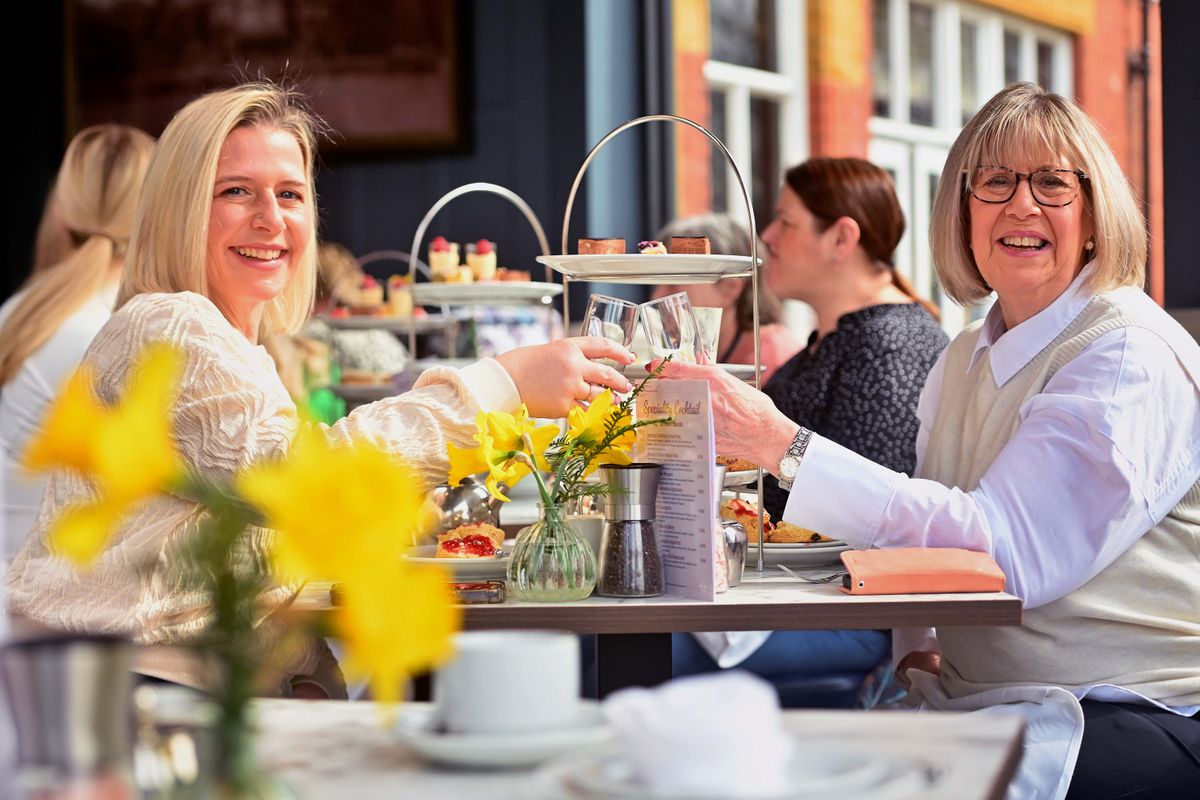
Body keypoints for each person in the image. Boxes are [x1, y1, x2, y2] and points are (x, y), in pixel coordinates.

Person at [657, 83, 1199, 798]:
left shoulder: (1124, 351)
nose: (1022, 204)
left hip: (1126, 710)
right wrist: (917, 652)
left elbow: (1009, 552)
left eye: (1052, 183)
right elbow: (921, 545)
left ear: (1095, 215)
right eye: (996, 182)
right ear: (964, 214)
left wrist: (783, 444)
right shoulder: (966, 353)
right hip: (987, 700)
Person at [5, 82, 633, 699]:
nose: (271, 218)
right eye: (235, 192)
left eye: (290, 194)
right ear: (178, 208)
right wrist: (504, 383)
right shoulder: (168, 324)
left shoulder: (230, 346)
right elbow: (294, 479)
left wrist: (307, 671)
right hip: (134, 699)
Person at [671, 161, 948, 706]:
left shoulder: (888, 347)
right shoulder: (836, 340)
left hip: (849, 611)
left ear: (842, 237)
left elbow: (860, 516)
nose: (768, 237)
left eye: (785, 222)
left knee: (625, 651)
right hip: (783, 593)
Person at [0, 124, 155, 569]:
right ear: (160, 215)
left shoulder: (20, 311)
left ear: (62, 214)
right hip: (55, 616)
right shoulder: (117, 335)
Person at [651, 214, 802, 382]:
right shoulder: (707, 352)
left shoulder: (771, 358)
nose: (656, 296)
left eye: (673, 283)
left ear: (729, 289)